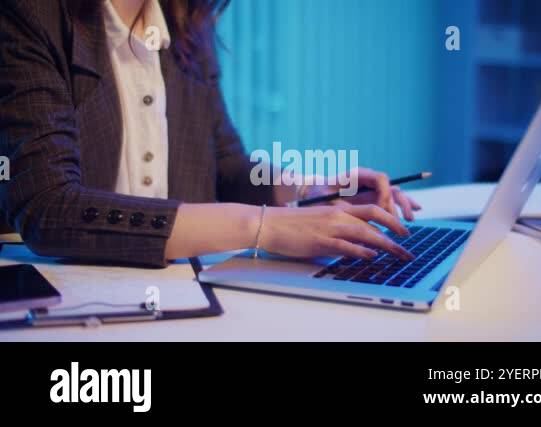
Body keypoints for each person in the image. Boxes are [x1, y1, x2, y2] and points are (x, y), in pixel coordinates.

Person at [0, 0, 420, 268]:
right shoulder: (30, 14)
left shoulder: (185, 23)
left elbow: (226, 165)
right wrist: (265, 226)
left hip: (178, 292)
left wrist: (309, 191)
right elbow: (48, 209)